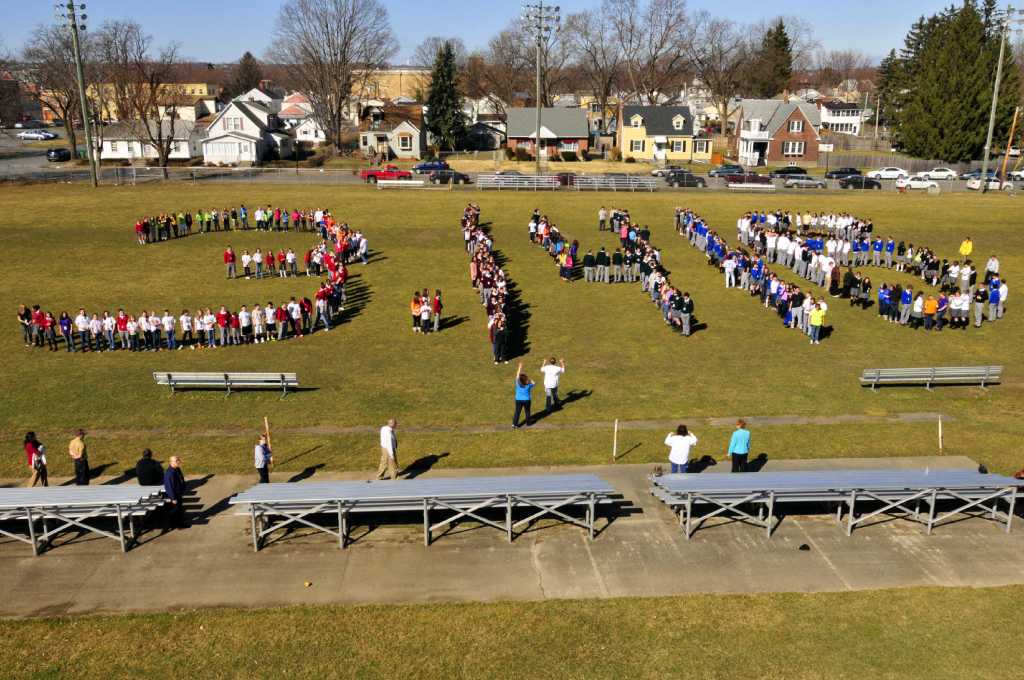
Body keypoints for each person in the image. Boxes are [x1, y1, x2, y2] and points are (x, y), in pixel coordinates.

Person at [163, 456, 188, 530]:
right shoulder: (169, 473)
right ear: (171, 462)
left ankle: (180, 523)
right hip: (174, 495)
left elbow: (181, 479)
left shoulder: (177, 469)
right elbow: (169, 487)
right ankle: (178, 525)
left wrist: (183, 487)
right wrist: (173, 498)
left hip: (179, 493)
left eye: (178, 460)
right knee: (176, 511)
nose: (179, 461)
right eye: (177, 460)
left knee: (179, 509)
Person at [512, 362, 535, 429]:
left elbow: (517, 374)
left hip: (518, 400)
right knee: (527, 411)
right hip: (527, 400)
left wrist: (520, 367)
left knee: (517, 412)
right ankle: (528, 423)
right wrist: (530, 380)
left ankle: (514, 424)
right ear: (526, 379)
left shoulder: (517, 383)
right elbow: (534, 383)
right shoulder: (529, 385)